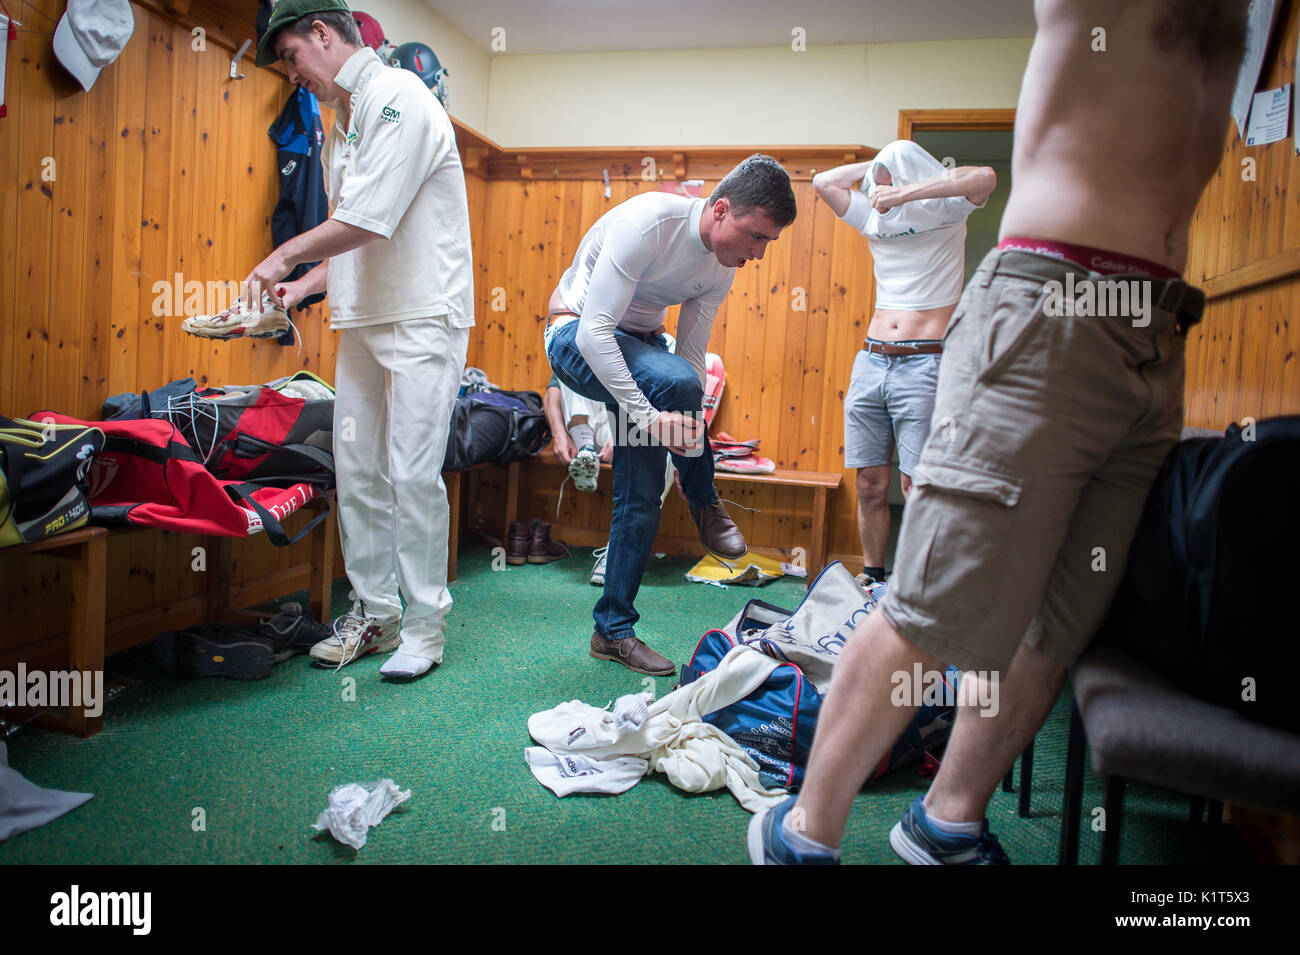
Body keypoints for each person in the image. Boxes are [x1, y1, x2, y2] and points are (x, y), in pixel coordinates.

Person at [750, 0, 1249, 864]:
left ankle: (947, 821)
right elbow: (900, 187)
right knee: (932, 598)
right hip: (1053, 303)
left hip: (1160, 331)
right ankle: (805, 833)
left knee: (1062, 616)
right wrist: (885, 172)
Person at [243, 0, 475, 680]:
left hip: (423, 314)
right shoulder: (339, 123)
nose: (290, 73)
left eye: (289, 55)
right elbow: (358, 232)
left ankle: (426, 626)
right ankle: (376, 613)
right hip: (363, 317)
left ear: (322, 32)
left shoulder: (400, 96)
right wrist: (303, 287)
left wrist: (281, 257)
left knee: (410, 471)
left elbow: (366, 219)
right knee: (359, 471)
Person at [546, 155, 796, 677]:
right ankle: (704, 500)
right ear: (721, 210)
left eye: (767, 244)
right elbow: (595, 334)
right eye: (756, 237)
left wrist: (671, 426)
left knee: (639, 495)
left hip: (642, 355)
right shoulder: (648, 224)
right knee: (677, 384)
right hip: (575, 335)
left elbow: (689, 354)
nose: (758, 253)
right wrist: (650, 417)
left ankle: (611, 632)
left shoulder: (721, 267)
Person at [813, 143, 995, 587]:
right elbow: (824, 183)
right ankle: (874, 576)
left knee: (920, 488)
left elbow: (984, 176)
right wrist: (879, 160)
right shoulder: (872, 216)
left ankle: (920, 585)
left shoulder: (950, 210)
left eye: (888, 178)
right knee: (870, 485)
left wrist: (906, 193)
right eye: (879, 180)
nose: (879, 188)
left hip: (925, 364)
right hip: (871, 361)